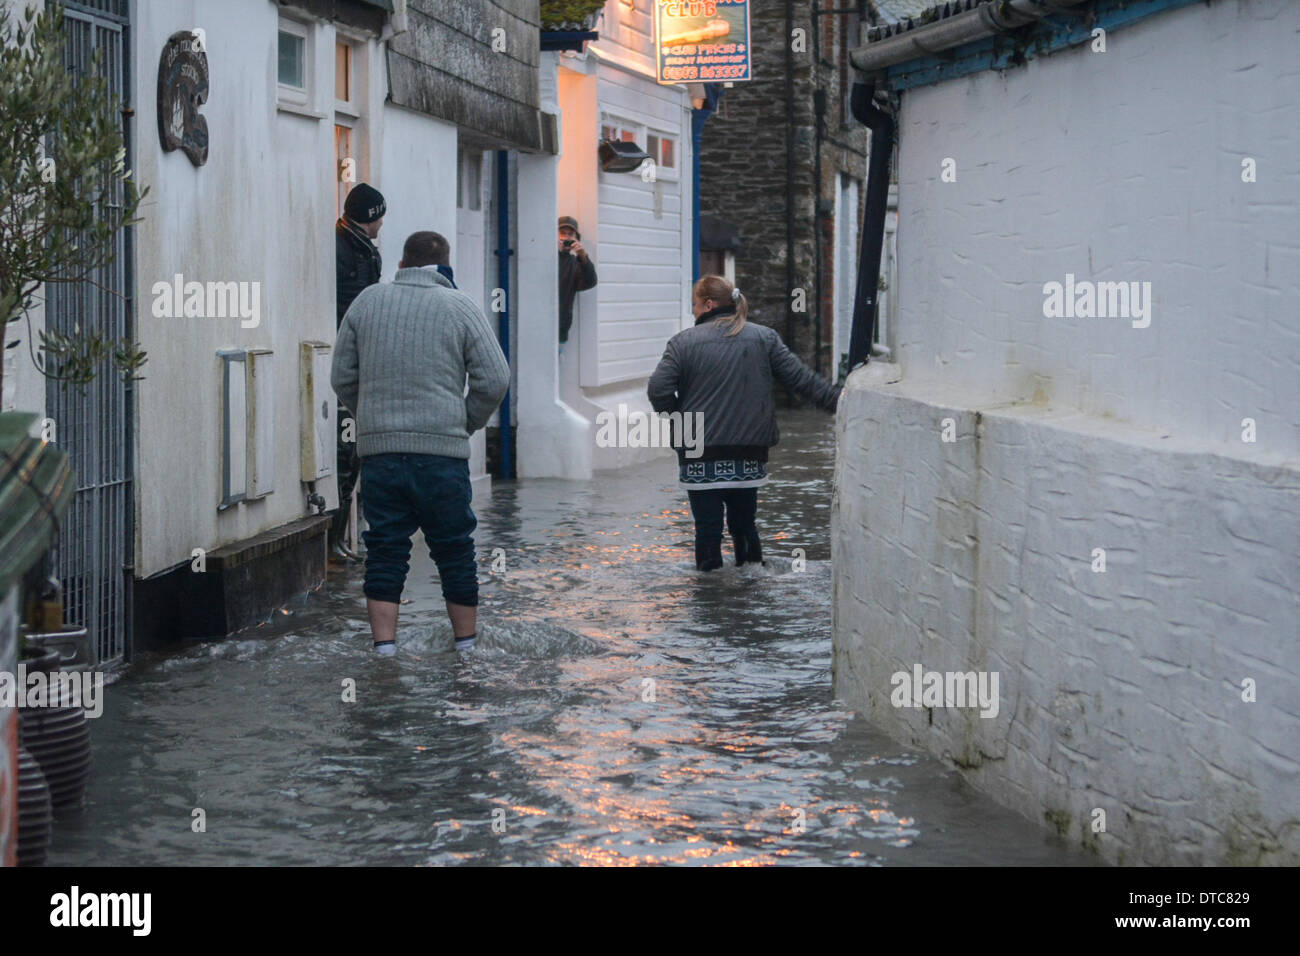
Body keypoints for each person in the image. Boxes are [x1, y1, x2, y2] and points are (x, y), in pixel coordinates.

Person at [331, 231, 510, 655]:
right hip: (442, 457)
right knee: (454, 550)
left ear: (401, 265)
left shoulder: (368, 302)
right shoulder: (460, 306)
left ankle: (384, 651)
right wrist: (463, 422)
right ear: (444, 268)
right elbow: (496, 378)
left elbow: (341, 376)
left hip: (380, 456)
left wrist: (374, 419)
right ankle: (466, 648)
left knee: (385, 549)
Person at [647, 274, 841, 571]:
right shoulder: (764, 337)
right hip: (749, 452)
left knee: (707, 531)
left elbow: (658, 391)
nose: (694, 312)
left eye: (695, 306)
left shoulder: (682, 343)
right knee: (745, 526)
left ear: (708, 304)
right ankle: (751, 593)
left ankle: (710, 601)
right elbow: (801, 380)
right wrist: (840, 403)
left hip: (698, 452)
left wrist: (680, 422)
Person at [332, 182, 386, 562]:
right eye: (381, 214)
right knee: (345, 454)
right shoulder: (346, 248)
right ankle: (335, 541)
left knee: (352, 455)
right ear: (371, 217)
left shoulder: (362, 247)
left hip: (357, 358)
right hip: (347, 358)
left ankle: (340, 541)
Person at [557, 215, 596, 348]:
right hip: (539, 327)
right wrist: (558, 251)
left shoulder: (575, 263)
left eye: (570, 234)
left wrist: (582, 256)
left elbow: (590, 282)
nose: (566, 238)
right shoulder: (544, 257)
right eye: (562, 233)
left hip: (560, 330)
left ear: (576, 238)